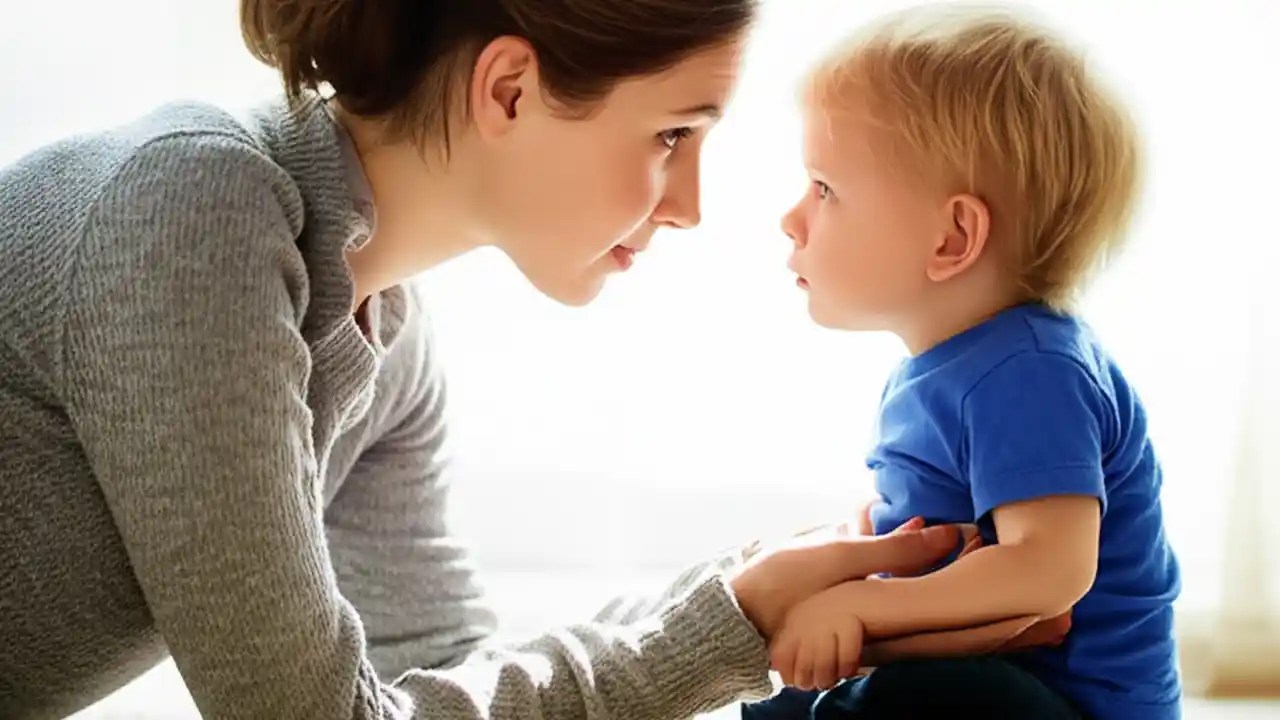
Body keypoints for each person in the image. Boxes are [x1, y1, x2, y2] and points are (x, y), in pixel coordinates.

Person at [0, 2, 1037, 718]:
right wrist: (723, 624)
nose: (690, 206)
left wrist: (742, 592)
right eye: (673, 134)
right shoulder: (192, 216)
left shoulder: (384, 338)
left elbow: (443, 678)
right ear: (507, 88)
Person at [745, 6, 1181, 719]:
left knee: (915, 698)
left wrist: (866, 601)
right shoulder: (952, 366)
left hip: (1066, 703)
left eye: (825, 189)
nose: (792, 219)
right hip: (992, 670)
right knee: (784, 694)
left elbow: (1048, 571)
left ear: (953, 237)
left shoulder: (1032, 372)